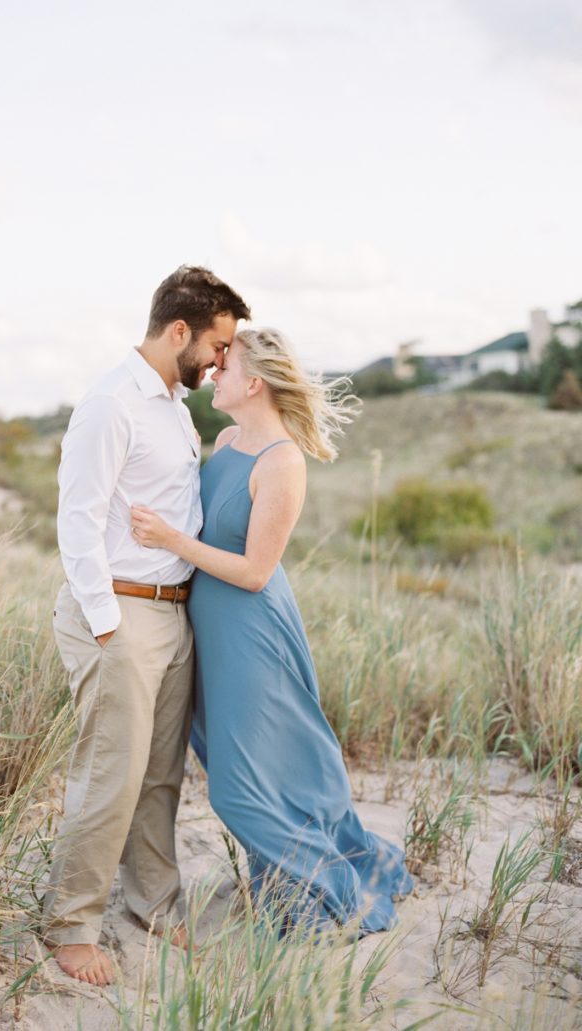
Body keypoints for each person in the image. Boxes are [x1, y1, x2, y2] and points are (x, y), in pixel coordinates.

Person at [131, 328, 414, 938]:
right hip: (209, 628)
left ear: (253, 383)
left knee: (238, 789)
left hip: (252, 633)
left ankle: (326, 883)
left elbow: (257, 573)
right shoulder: (228, 439)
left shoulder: (283, 462)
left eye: (224, 365)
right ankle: (283, 881)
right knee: (243, 765)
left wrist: (174, 543)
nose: (213, 372)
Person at [41, 266, 251, 986]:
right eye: (218, 346)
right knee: (111, 773)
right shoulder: (110, 403)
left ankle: (152, 902)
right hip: (120, 612)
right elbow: (78, 520)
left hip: (171, 612)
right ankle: (71, 923)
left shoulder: (173, 405)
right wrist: (106, 625)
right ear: (181, 331)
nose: (221, 361)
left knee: (160, 776)